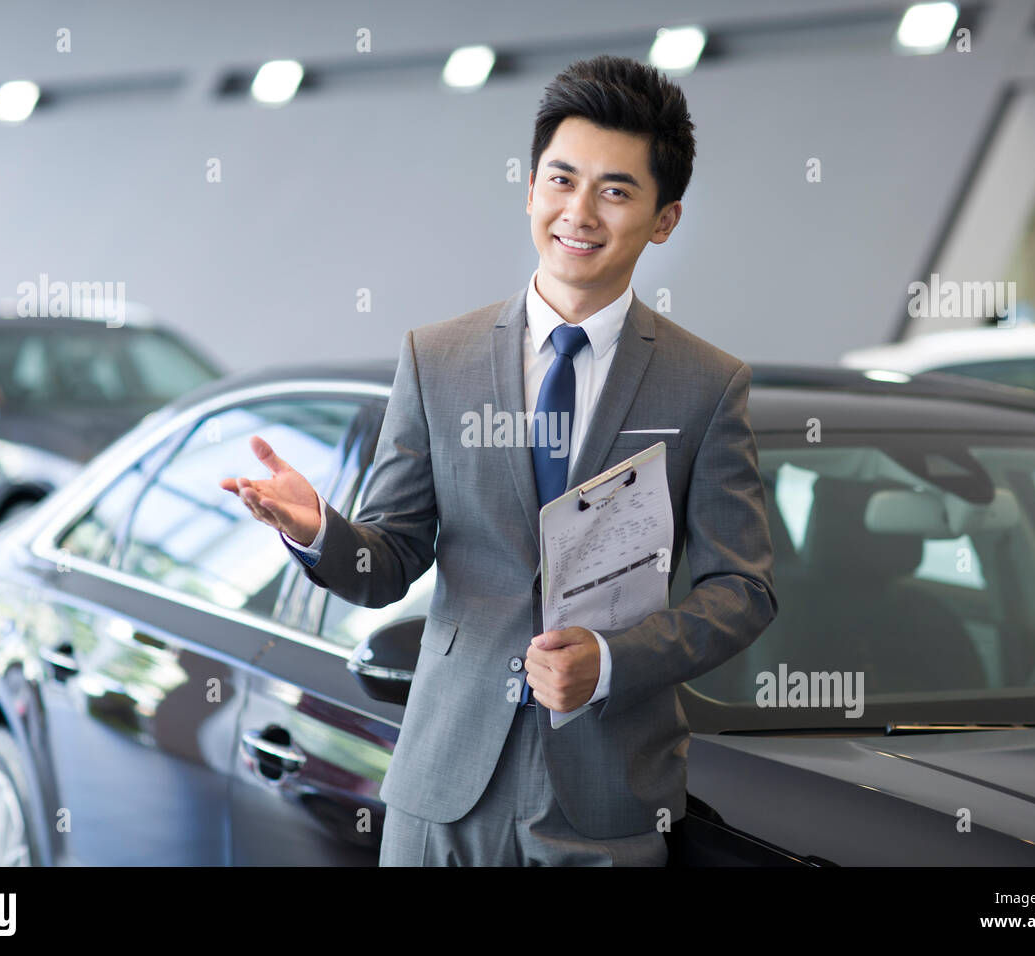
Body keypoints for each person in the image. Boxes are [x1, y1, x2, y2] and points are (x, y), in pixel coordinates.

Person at [221, 53, 778, 866]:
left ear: (665, 219)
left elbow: (743, 589)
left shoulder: (706, 385)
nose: (579, 212)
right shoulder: (436, 358)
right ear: (529, 192)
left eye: (615, 190)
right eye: (560, 180)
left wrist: (616, 659)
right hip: (445, 792)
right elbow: (389, 562)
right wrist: (320, 532)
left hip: (607, 799)